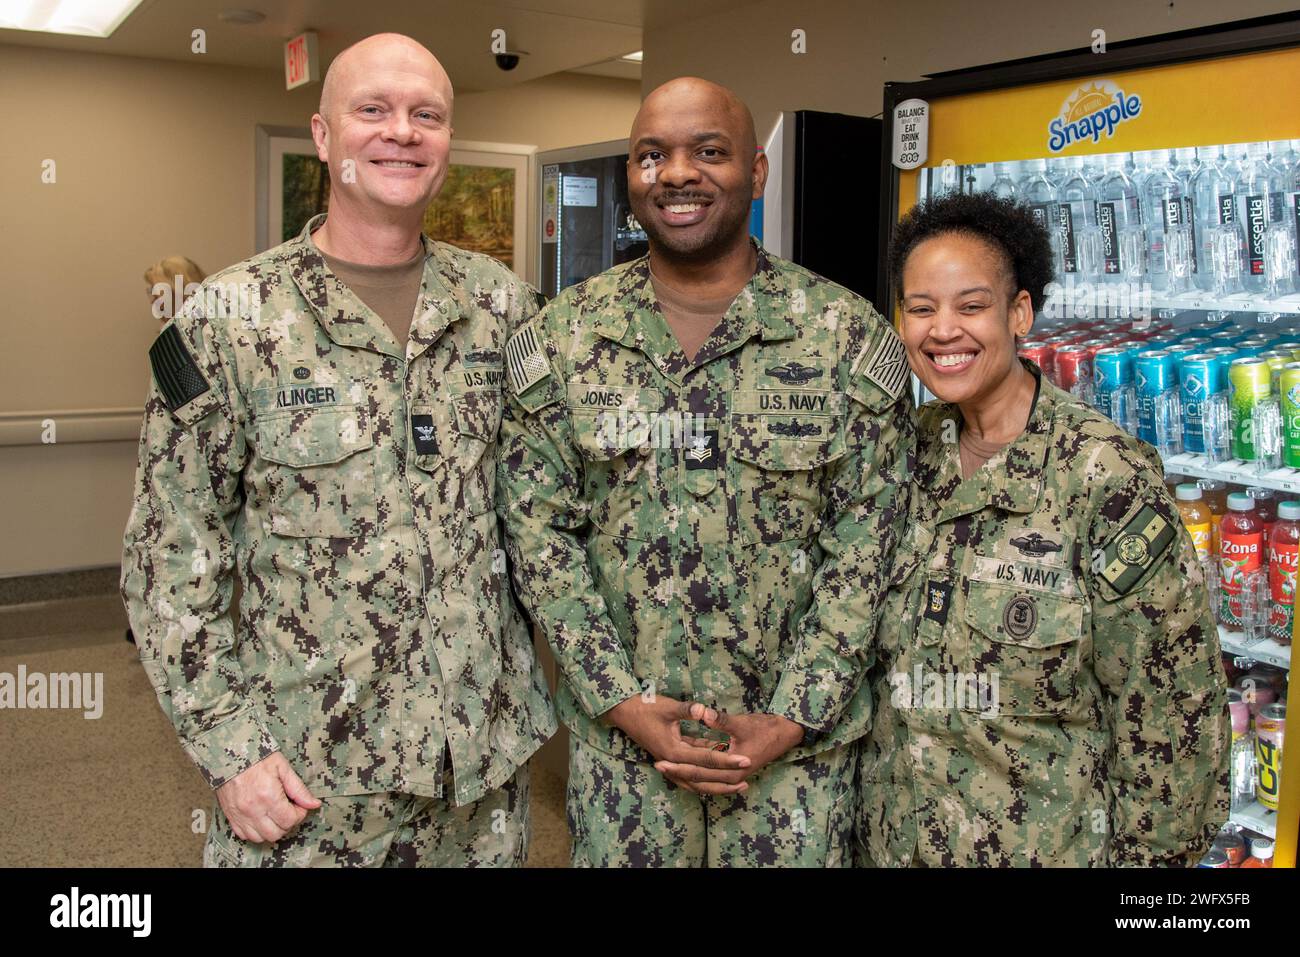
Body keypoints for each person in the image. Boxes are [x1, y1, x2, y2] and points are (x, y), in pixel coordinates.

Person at [121, 33, 555, 868]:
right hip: (311, 783)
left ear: (447, 142)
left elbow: (547, 514)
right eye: (373, 110)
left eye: (426, 114)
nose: (402, 131)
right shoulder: (227, 320)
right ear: (324, 137)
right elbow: (169, 559)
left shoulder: (504, 309)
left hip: (482, 779)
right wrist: (228, 747)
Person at [498, 77, 915, 867]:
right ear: (631, 177)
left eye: (709, 152)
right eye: (652, 155)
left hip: (795, 775)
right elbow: (538, 539)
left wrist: (794, 714)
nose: (678, 173)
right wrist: (622, 702)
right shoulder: (562, 339)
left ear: (756, 173)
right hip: (628, 770)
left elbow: (870, 553)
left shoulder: (843, 336)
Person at [856, 192, 1230, 867]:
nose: (944, 330)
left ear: (1019, 313)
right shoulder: (898, 458)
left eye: (971, 306)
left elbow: (1175, 725)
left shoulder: (1102, 477)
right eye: (920, 308)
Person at [126, 257, 209, 648]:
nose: (149, 299)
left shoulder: (189, 339)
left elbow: (194, 423)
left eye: (154, 290)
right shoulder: (176, 336)